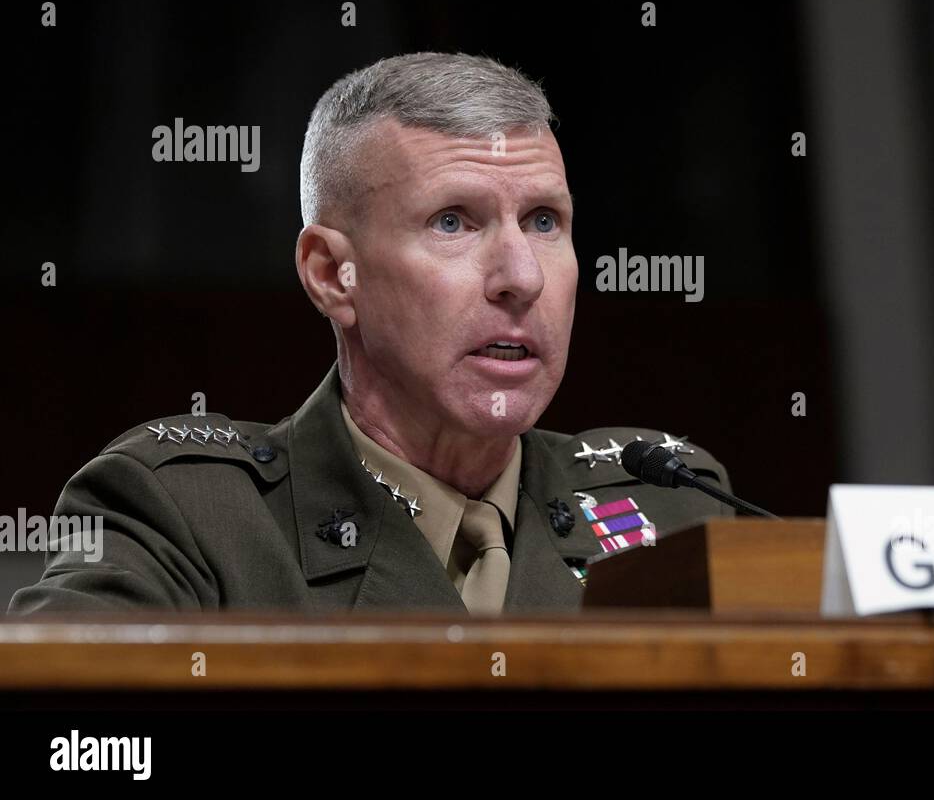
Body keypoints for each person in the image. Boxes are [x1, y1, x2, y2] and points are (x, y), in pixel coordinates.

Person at [9, 52, 734, 614]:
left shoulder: (671, 506)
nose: (523, 276)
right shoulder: (185, 516)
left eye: (544, 221)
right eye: (453, 221)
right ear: (331, 274)